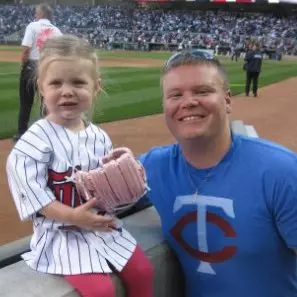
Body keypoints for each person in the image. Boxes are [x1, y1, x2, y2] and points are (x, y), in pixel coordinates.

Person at [136, 49, 297, 297]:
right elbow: (92, 198)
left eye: (202, 91)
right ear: (165, 106)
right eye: (175, 95)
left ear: (228, 100)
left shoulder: (281, 171)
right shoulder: (152, 167)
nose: (188, 102)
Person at [6, 35, 153, 297]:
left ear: (96, 86)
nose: (67, 91)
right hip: (61, 235)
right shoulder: (33, 144)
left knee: (143, 272)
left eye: (78, 82)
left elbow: (109, 193)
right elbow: (37, 199)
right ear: (41, 87)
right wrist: (74, 216)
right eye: (56, 83)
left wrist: (125, 180)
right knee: (101, 292)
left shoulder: (99, 137)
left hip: (102, 227)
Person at [14, 3, 62, 142]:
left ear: (41, 14)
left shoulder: (32, 26)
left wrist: (23, 65)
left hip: (31, 66)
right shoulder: (57, 30)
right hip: (49, 68)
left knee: (25, 102)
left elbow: (26, 49)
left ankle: (21, 133)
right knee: (46, 102)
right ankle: (45, 133)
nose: (35, 14)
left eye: (36, 12)